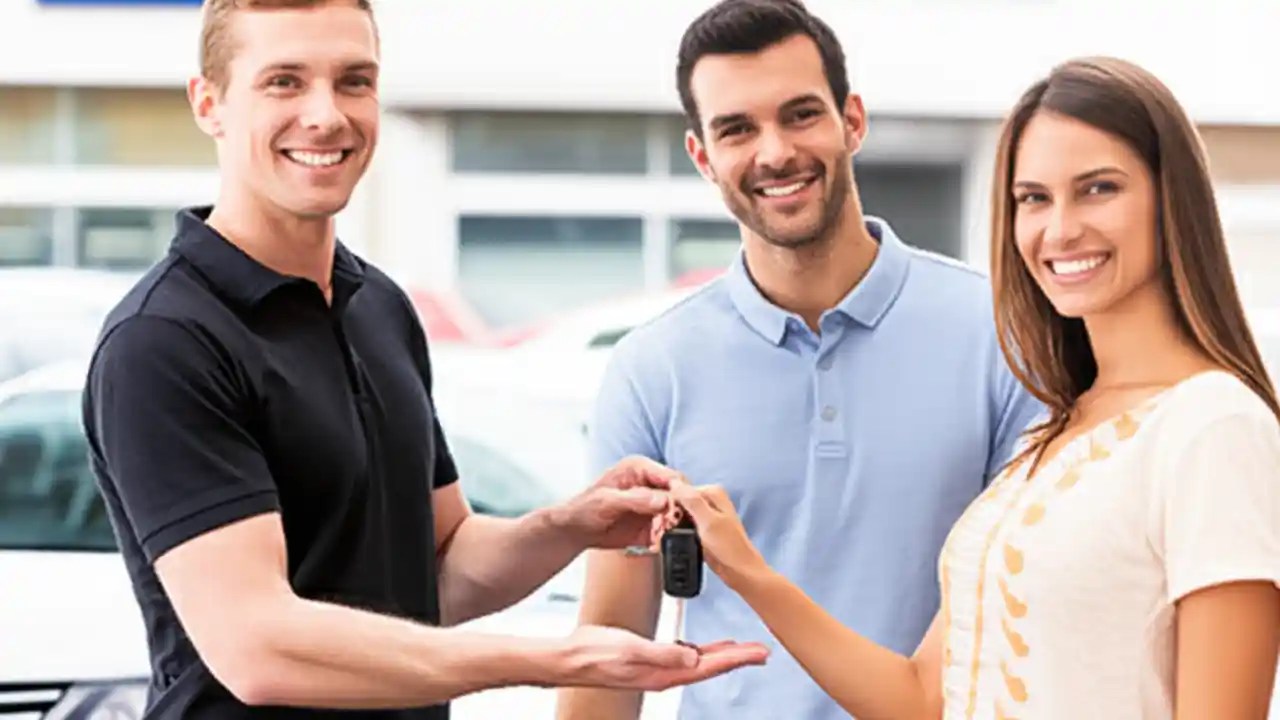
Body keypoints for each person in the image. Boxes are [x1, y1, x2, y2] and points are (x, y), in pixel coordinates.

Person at [80, 1, 768, 718]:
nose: (326, 115)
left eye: (354, 81)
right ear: (209, 103)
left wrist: (570, 526)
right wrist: (556, 660)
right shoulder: (163, 340)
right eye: (285, 82)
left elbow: (439, 572)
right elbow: (259, 648)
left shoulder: (379, 306)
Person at [666, 54, 1280, 719]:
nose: (1060, 228)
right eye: (1033, 198)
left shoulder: (1214, 427)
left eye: (1099, 188)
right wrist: (748, 571)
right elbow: (921, 697)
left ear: (1171, 199)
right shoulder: (1051, 436)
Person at [556, 2, 1043, 718]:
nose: (775, 152)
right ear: (702, 156)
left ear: (852, 120)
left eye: (801, 115)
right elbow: (612, 648)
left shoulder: (1003, 336)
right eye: (737, 129)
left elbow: (1030, 609)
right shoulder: (652, 369)